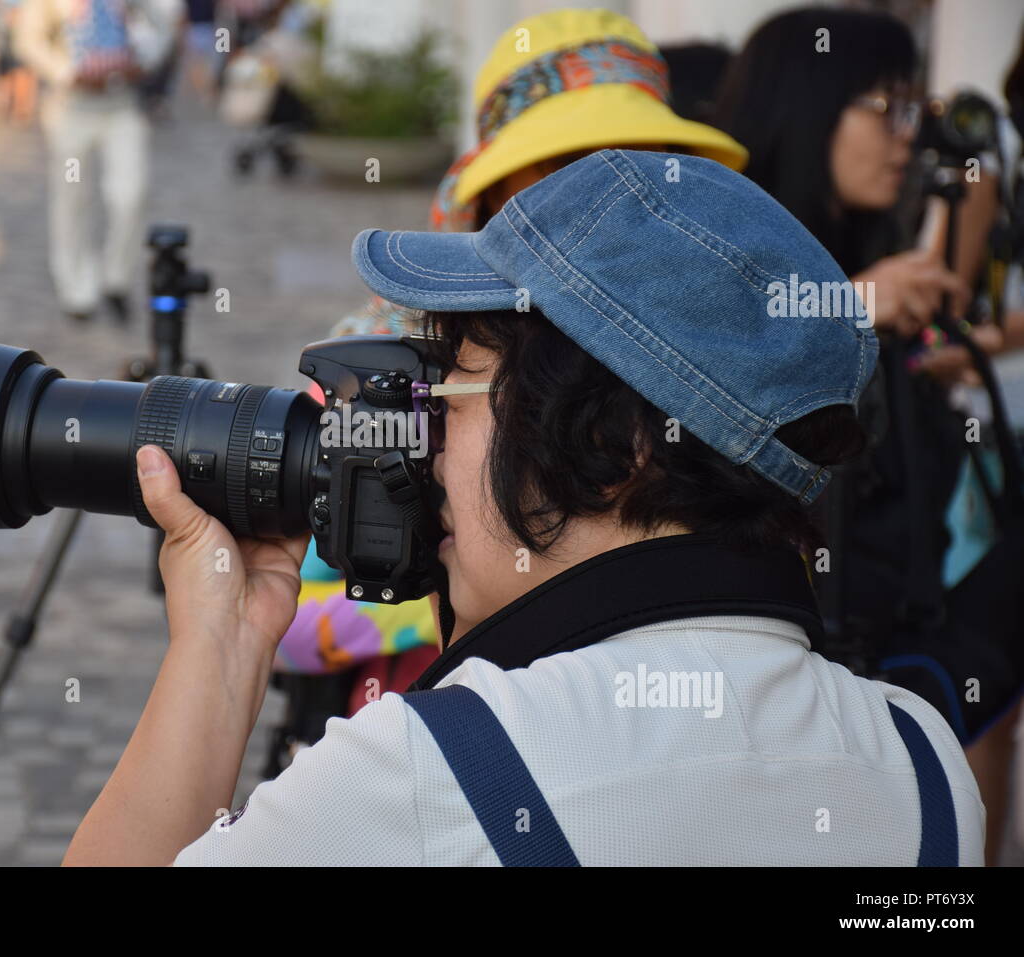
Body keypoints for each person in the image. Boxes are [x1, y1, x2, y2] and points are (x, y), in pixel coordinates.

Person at [64, 149, 983, 866]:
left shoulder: (432, 771)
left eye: (457, 387)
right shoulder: (923, 764)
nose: (417, 444)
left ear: (610, 451)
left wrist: (219, 649)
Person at [273, 8, 749, 735]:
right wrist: (455, 582)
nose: (602, 204)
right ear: (490, 196)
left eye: (637, 167)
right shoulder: (377, 368)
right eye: (565, 167)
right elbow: (297, 622)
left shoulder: (697, 362)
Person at [714, 5, 1024, 865]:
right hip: (789, 688)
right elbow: (707, 370)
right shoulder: (733, 242)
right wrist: (851, 305)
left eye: (915, 111)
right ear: (809, 107)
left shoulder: (869, 239)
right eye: (883, 107)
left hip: (892, 649)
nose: (905, 137)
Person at [15, 0, 170, 323]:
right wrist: (67, 73)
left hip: (122, 105)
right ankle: (77, 288)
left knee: (130, 194)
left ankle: (117, 279)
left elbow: (164, 19)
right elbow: (28, 39)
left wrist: (143, 60)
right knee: (73, 198)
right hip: (72, 108)